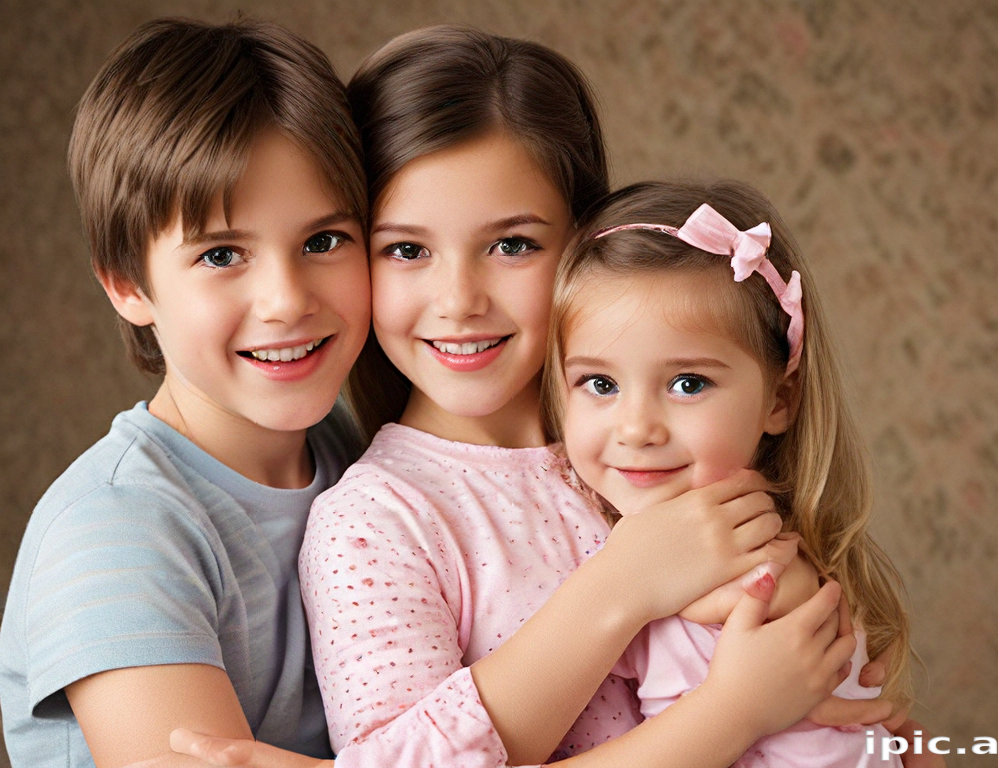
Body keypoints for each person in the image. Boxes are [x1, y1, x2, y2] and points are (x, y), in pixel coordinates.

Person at [170, 27, 882, 768]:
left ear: (585, 241)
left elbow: (842, 699)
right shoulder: (377, 522)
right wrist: (717, 696)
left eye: (512, 245)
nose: (459, 300)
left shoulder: (648, 447)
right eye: (407, 249)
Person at [0, 17, 372, 767]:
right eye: (222, 254)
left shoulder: (351, 450)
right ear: (127, 284)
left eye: (323, 241)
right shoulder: (114, 529)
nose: (286, 300)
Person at [543, 178, 913, 766]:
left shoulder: (758, 562)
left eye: (688, 384)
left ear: (779, 401)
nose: (636, 428)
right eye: (601, 383)